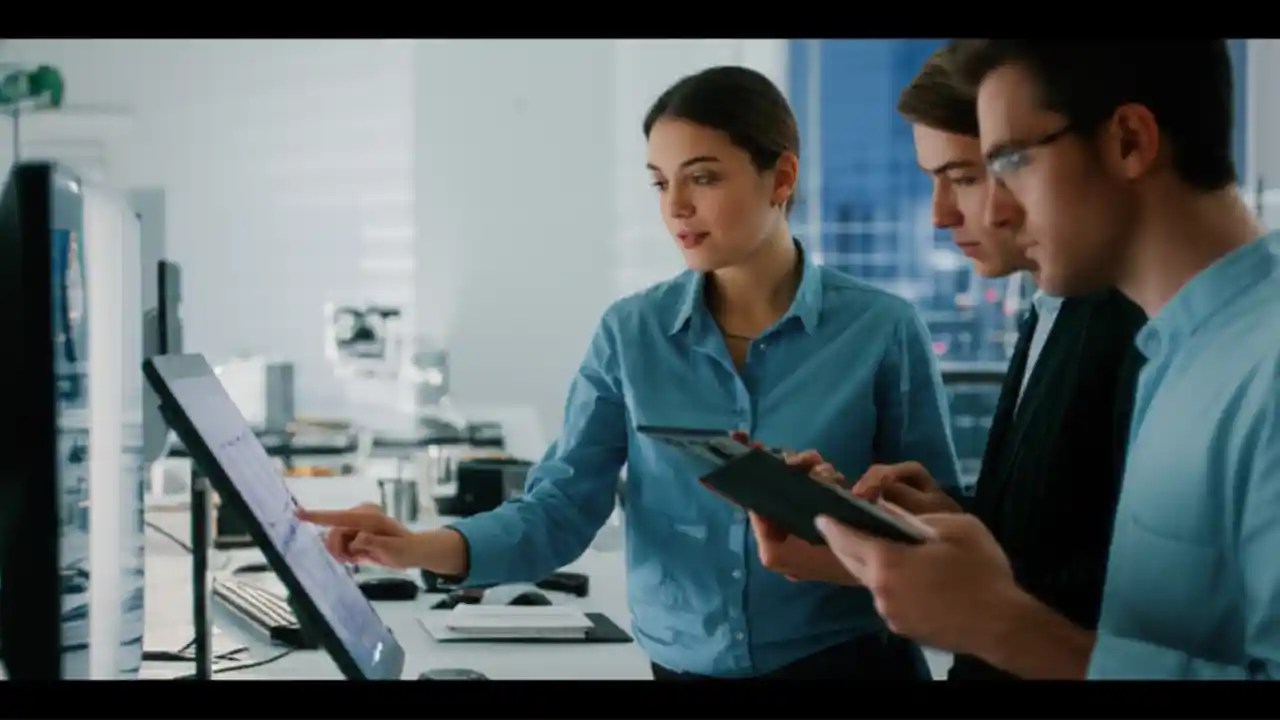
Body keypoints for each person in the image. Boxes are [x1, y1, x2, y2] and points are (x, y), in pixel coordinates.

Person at [298, 65, 961, 681]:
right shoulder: (631, 333)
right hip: (679, 672)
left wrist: (842, 510)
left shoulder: (880, 330)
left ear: (781, 177)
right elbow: (560, 508)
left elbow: (940, 528)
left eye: (702, 177)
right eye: (659, 181)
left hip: (848, 669)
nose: (674, 206)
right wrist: (418, 546)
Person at [814, 39, 1280, 680]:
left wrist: (1002, 624)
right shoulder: (1176, 350)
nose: (995, 212)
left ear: (1128, 142)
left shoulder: (1263, 368)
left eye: (1009, 162)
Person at [751, 46, 1147, 682]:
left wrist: (923, 563)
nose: (941, 215)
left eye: (964, 176)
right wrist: (949, 520)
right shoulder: (1051, 307)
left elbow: (1123, 595)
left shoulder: (1133, 327)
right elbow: (1061, 531)